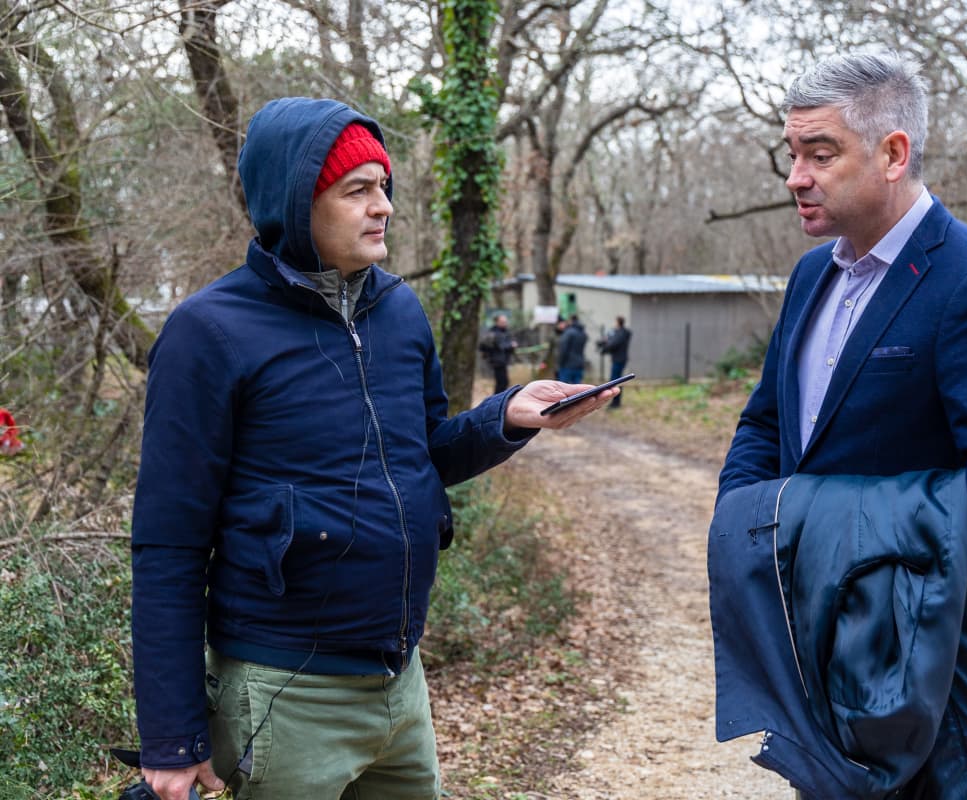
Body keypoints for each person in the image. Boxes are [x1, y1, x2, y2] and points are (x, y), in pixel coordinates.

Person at [129, 98, 618, 800]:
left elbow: (421, 457)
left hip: (400, 682)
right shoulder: (208, 333)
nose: (382, 206)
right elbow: (167, 544)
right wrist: (172, 739)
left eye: (384, 186)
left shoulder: (398, 310)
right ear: (297, 204)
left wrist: (506, 417)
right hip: (284, 694)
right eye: (357, 189)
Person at [715, 52, 967, 798]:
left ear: (893, 153)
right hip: (819, 636)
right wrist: (746, 526)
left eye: (820, 154)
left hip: (939, 645)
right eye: (792, 154)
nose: (794, 176)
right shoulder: (812, 274)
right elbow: (766, 426)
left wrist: (828, 543)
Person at [597, 316, 632, 408]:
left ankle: (616, 402)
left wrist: (604, 348)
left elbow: (613, 344)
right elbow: (611, 341)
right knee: (617, 380)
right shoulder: (621, 333)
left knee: (615, 381)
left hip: (618, 359)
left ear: (618, 322)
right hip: (619, 359)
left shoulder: (620, 333)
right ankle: (616, 401)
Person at [479, 313, 517, 393]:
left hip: (503, 361)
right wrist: (511, 345)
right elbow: (501, 346)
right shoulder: (493, 333)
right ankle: (497, 400)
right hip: (497, 361)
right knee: (501, 383)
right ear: (497, 322)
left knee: (503, 382)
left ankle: (498, 399)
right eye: (502, 322)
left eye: (505, 321)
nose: (504, 323)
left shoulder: (505, 331)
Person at [555, 314, 587, 384]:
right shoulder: (583, 333)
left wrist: (560, 363)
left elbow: (563, 350)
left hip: (567, 365)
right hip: (579, 364)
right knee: (578, 390)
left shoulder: (568, 333)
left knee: (562, 388)